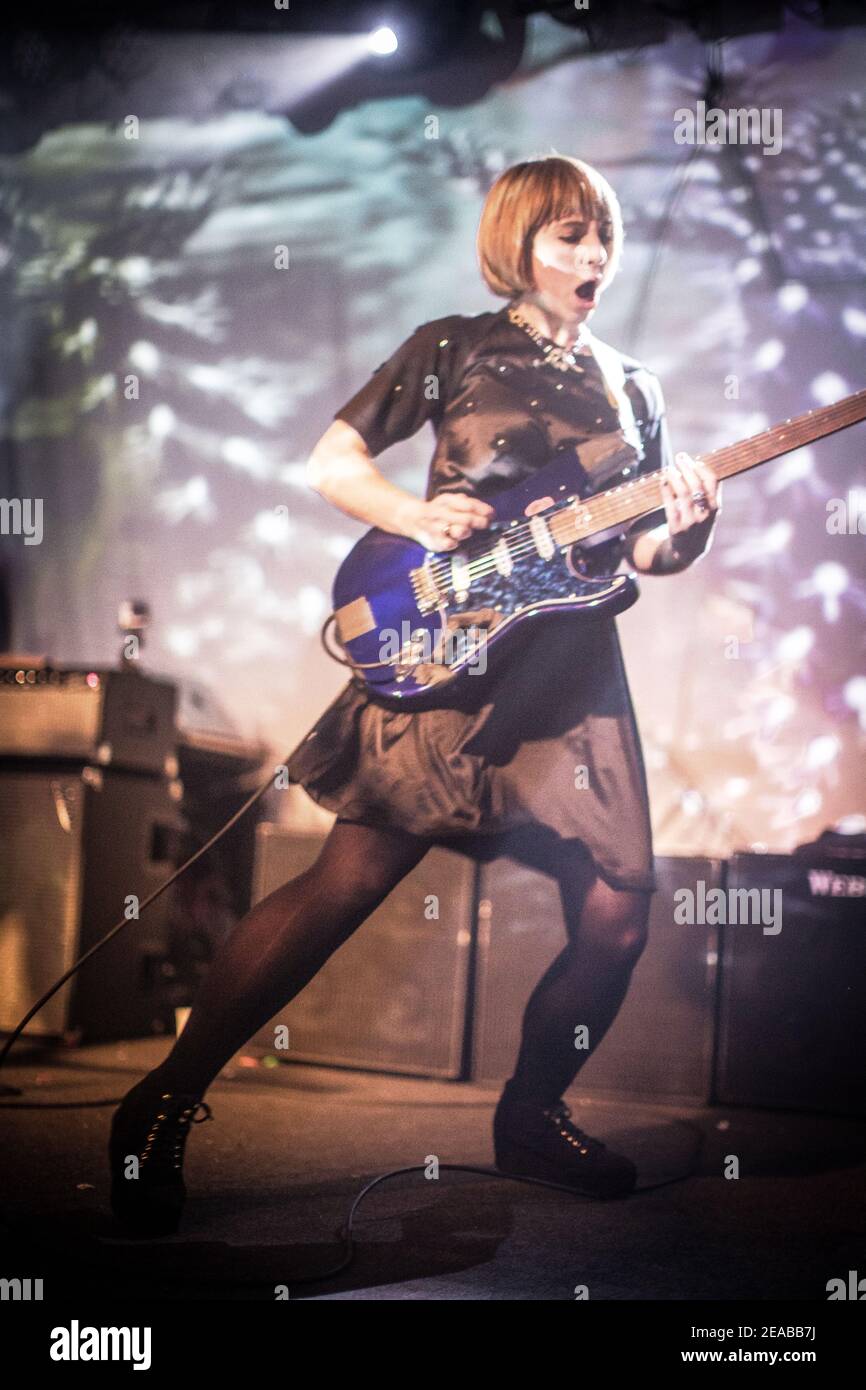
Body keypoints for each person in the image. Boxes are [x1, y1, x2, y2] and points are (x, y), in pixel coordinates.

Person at [109, 154, 720, 1236]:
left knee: (620, 904)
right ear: (517, 242)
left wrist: (688, 528)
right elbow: (332, 459)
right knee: (342, 888)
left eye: (602, 237)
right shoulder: (452, 347)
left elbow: (647, 552)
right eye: (568, 235)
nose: (592, 256)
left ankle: (530, 1114)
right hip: (448, 644)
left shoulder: (636, 389)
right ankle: (162, 1099)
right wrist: (408, 512)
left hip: (571, 671)